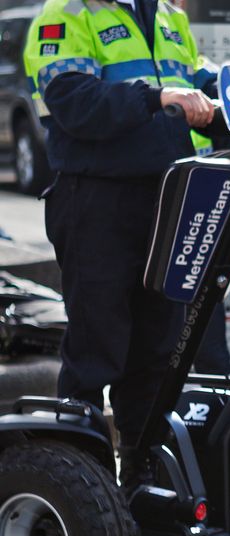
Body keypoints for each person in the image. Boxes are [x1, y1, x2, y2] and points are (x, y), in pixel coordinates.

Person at [23, 0, 216, 491]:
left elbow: (196, 91)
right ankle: (78, 485)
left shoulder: (170, 16)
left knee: (157, 350)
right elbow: (74, 103)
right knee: (96, 349)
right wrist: (159, 97)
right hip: (96, 201)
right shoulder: (65, 13)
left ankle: (140, 477)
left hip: (169, 197)